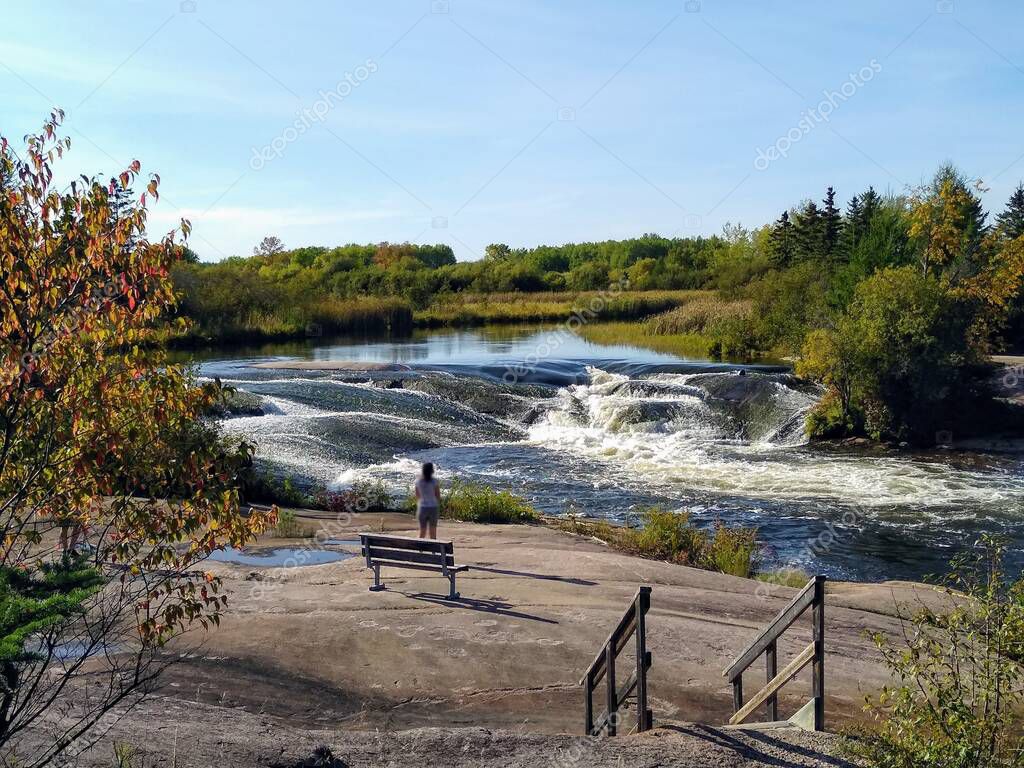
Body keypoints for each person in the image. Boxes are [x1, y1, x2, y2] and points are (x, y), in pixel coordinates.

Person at [414, 462, 441, 539]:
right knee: (433, 532)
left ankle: (419, 549)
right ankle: (433, 550)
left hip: (422, 507)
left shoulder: (418, 481)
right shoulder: (434, 481)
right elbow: (437, 495)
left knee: (422, 532)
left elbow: (417, 495)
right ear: (432, 470)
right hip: (433, 507)